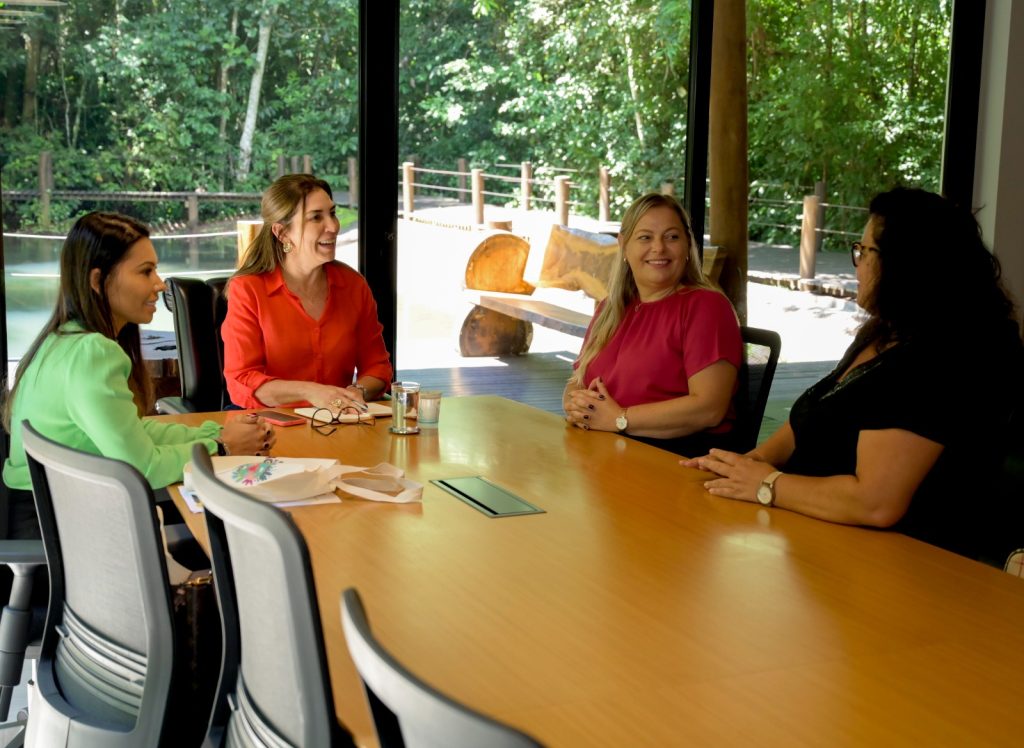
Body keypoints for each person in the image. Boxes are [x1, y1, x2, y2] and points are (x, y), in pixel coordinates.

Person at [686, 187, 1024, 564]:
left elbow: (875, 503)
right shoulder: (885, 333)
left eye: (866, 252)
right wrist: (745, 464)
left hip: (891, 566)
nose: (857, 264)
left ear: (907, 263)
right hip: (810, 536)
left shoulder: (942, 360)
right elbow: (813, 414)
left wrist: (767, 484)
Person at [2, 211, 274, 539]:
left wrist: (218, 431)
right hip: (67, 529)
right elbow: (142, 466)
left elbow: (132, 432)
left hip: (47, 514)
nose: (159, 283)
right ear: (97, 281)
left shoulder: (60, 342)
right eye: (146, 271)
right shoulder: (92, 354)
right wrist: (222, 447)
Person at [563, 192, 742, 456]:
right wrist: (574, 404)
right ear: (624, 245)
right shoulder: (610, 308)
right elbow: (577, 380)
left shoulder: (705, 306)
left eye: (672, 237)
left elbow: (709, 408)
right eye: (645, 237)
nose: (659, 248)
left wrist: (619, 419)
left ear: (687, 245)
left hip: (675, 459)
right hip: (604, 452)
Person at [221, 174, 393, 411]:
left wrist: (357, 391)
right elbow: (241, 381)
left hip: (340, 423)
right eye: (316, 218)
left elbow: (378, 367)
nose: (333, 226)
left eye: (332, 213)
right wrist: (310, 391)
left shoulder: (354, 285)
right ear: (282, 233)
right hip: (272, 427)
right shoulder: (248, 290)